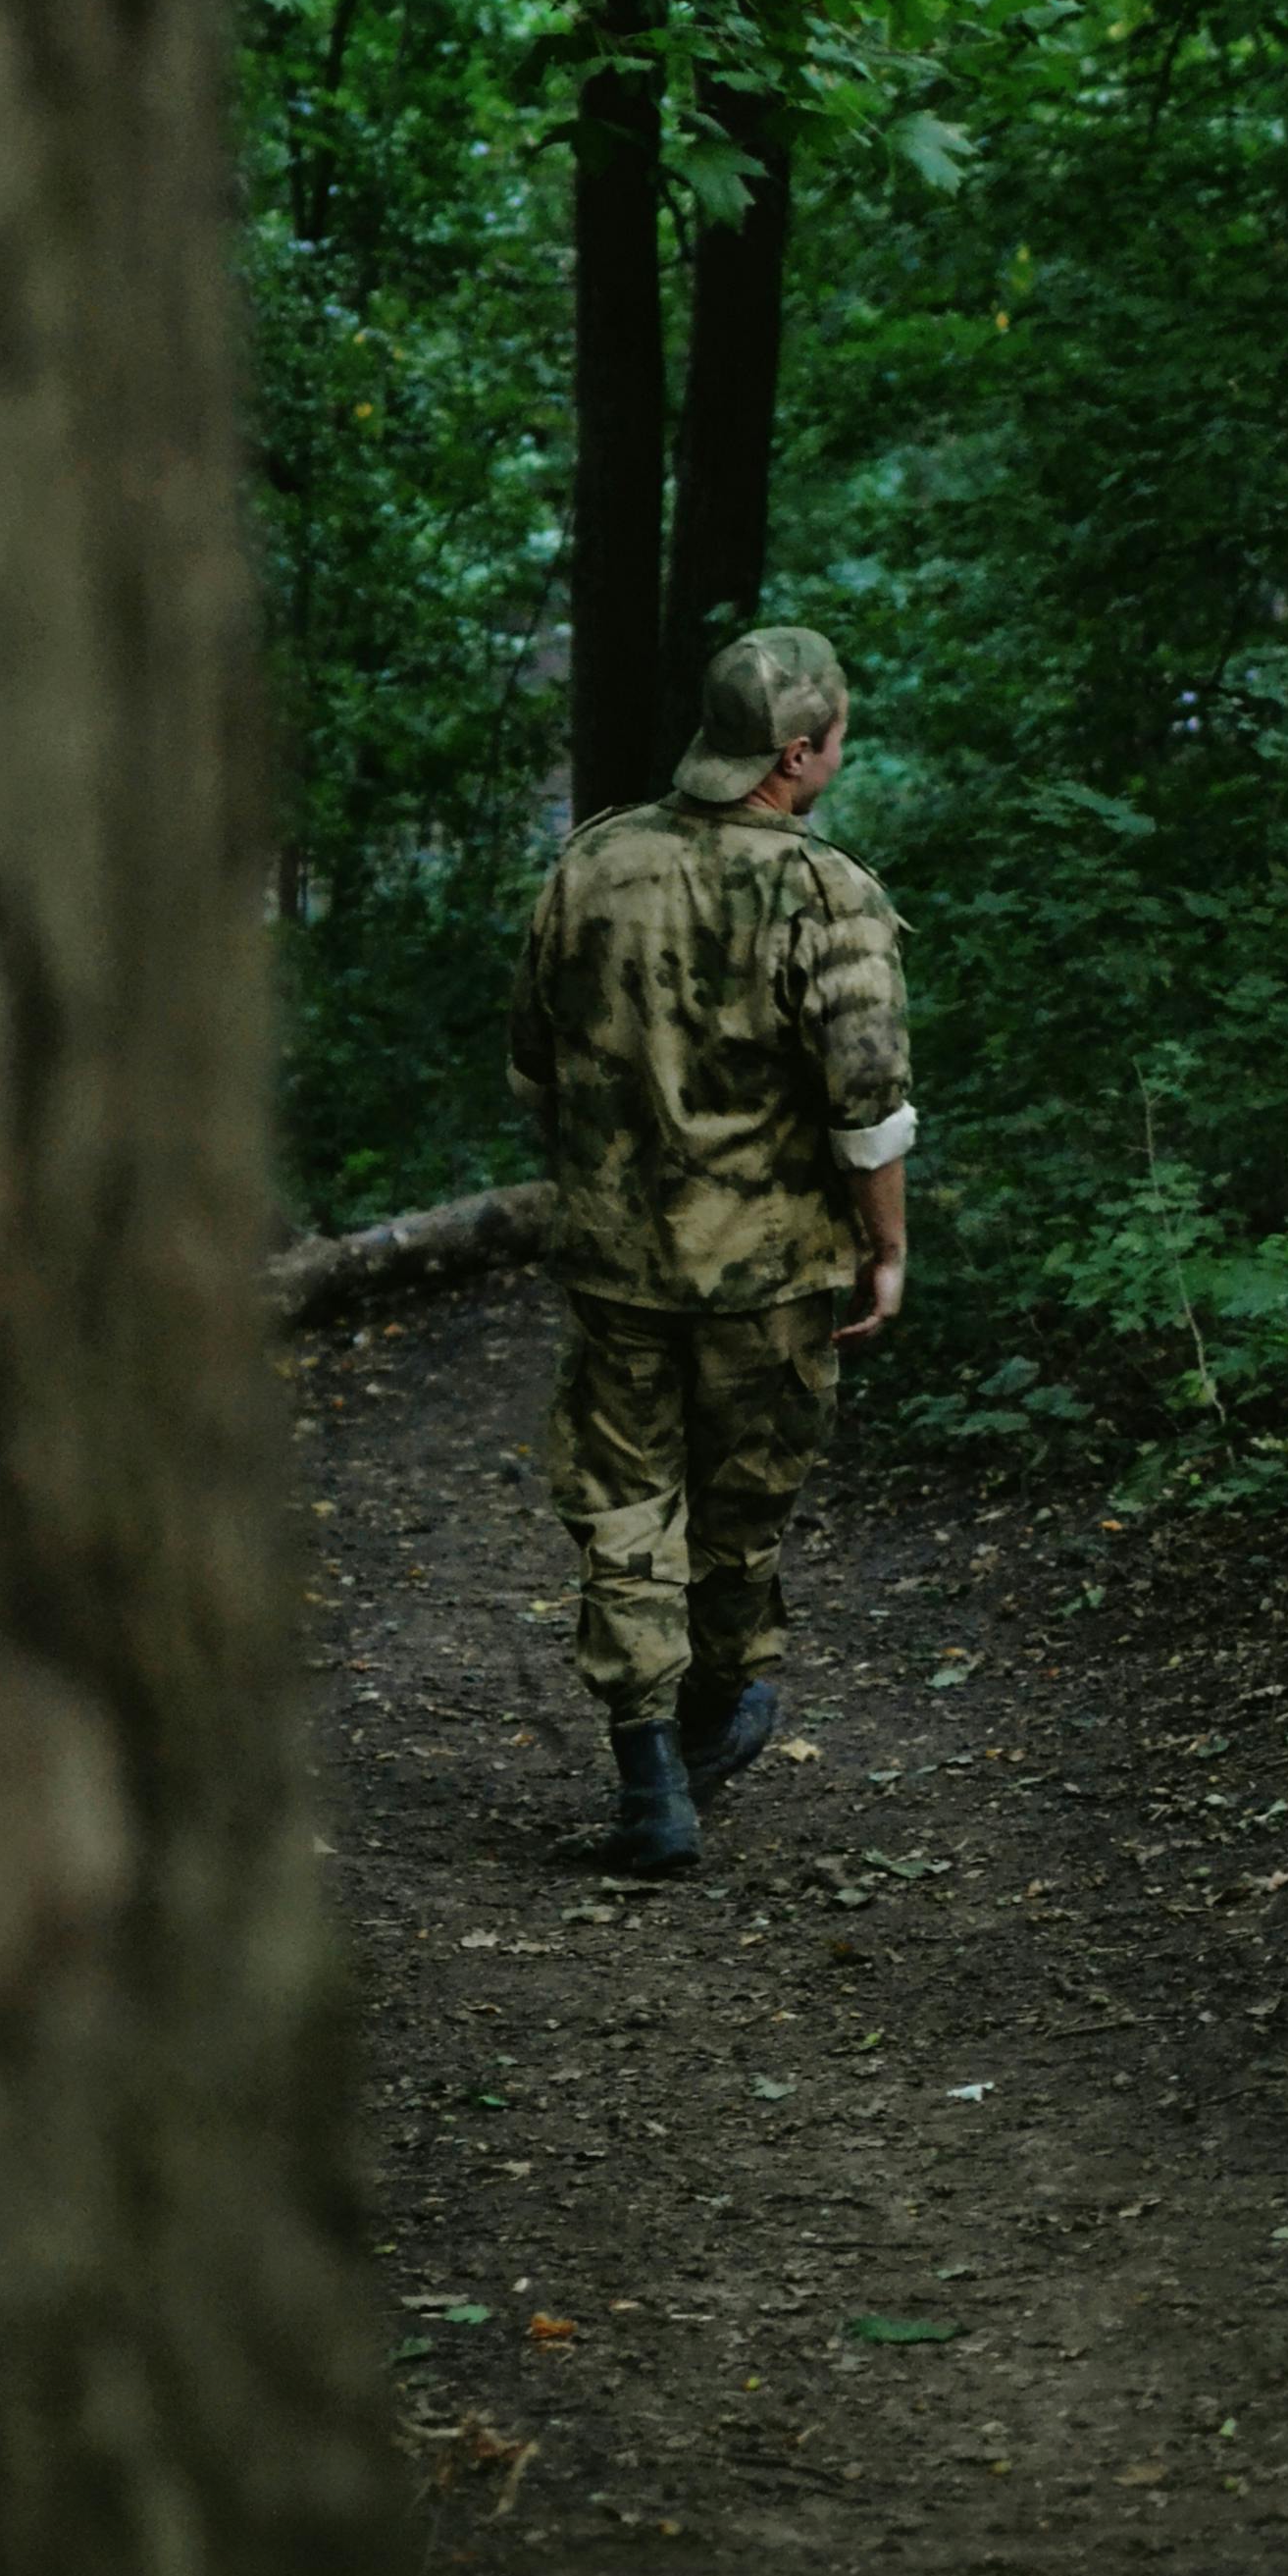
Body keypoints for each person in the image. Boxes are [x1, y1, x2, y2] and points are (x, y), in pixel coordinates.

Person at [506, 625, 913, 1874]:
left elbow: (535, 1065)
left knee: (626, 1508)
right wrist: (885, 1249)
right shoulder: (822, 894)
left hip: (618, 1263)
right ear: (797, 754)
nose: (841, 752)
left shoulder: (592, 864)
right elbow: (866, 1102)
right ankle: (722, 1706)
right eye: (838, 735)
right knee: (742, 1506)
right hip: (771, 1278)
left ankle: (650, 1784)